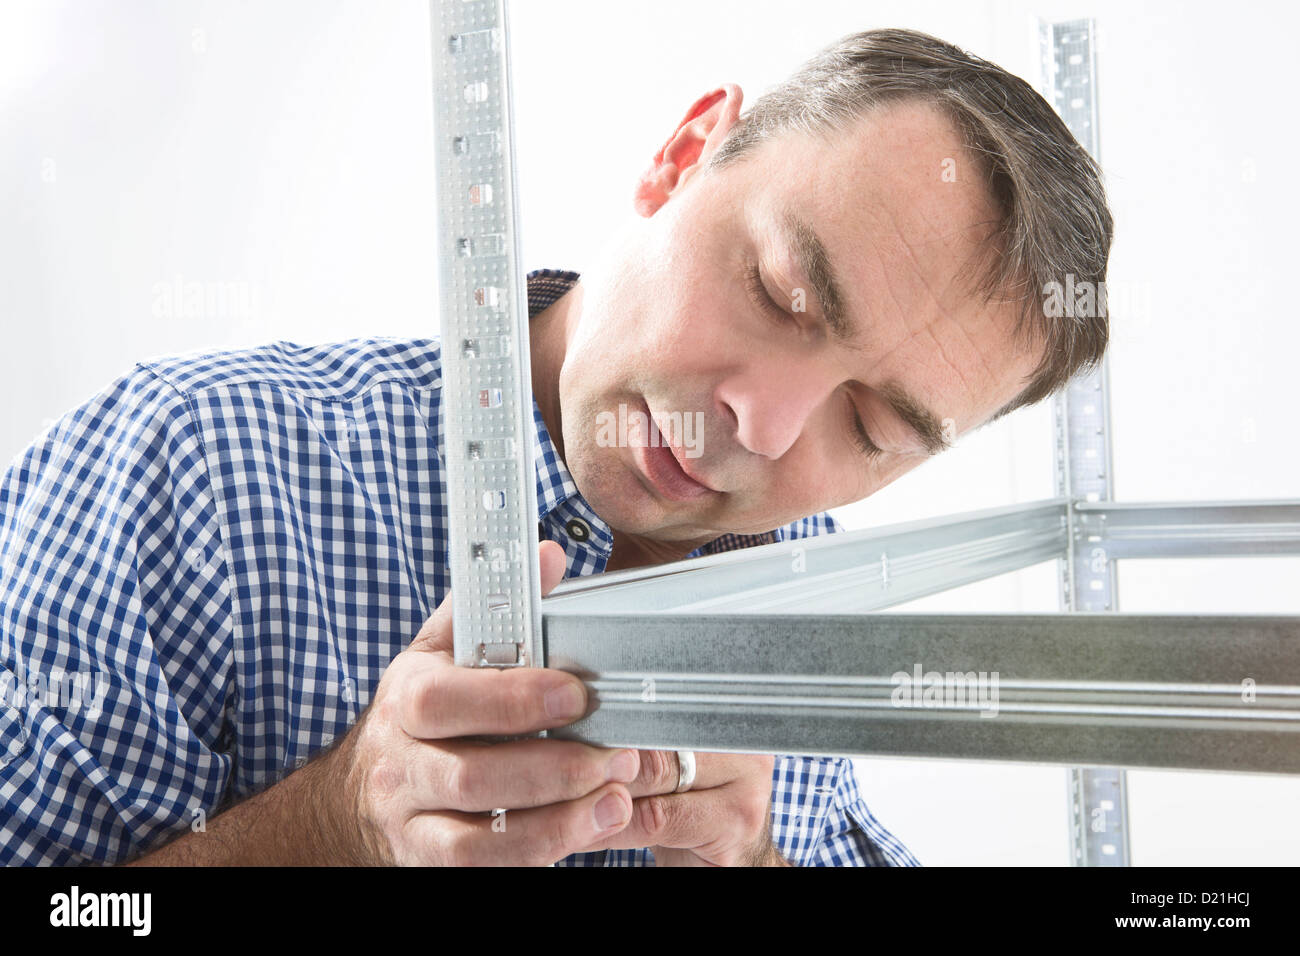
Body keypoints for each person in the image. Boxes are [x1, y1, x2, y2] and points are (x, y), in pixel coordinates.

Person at [0, 28, 1111, 866]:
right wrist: (337, 822)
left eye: (866, 427)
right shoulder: (187, 464)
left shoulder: (806, 585)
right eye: (782, 293)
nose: (760, 426)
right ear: (682, 158)